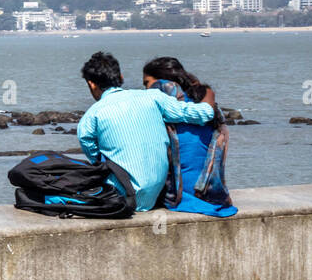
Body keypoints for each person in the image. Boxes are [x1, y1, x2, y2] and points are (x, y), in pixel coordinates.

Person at [75, 52, 218, 212]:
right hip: (155, 194)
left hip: (122, 196)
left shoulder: (91, 117)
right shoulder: (154, 97)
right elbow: (203, 113)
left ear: (91, 84)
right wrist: (209, 94)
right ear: (121, 77)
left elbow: (95, 158)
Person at [142, 56, 236, 217]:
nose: (145, 88)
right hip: (209, 191)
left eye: (146, 83)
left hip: (179, 194)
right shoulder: (204, 97)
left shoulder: (159, 94)